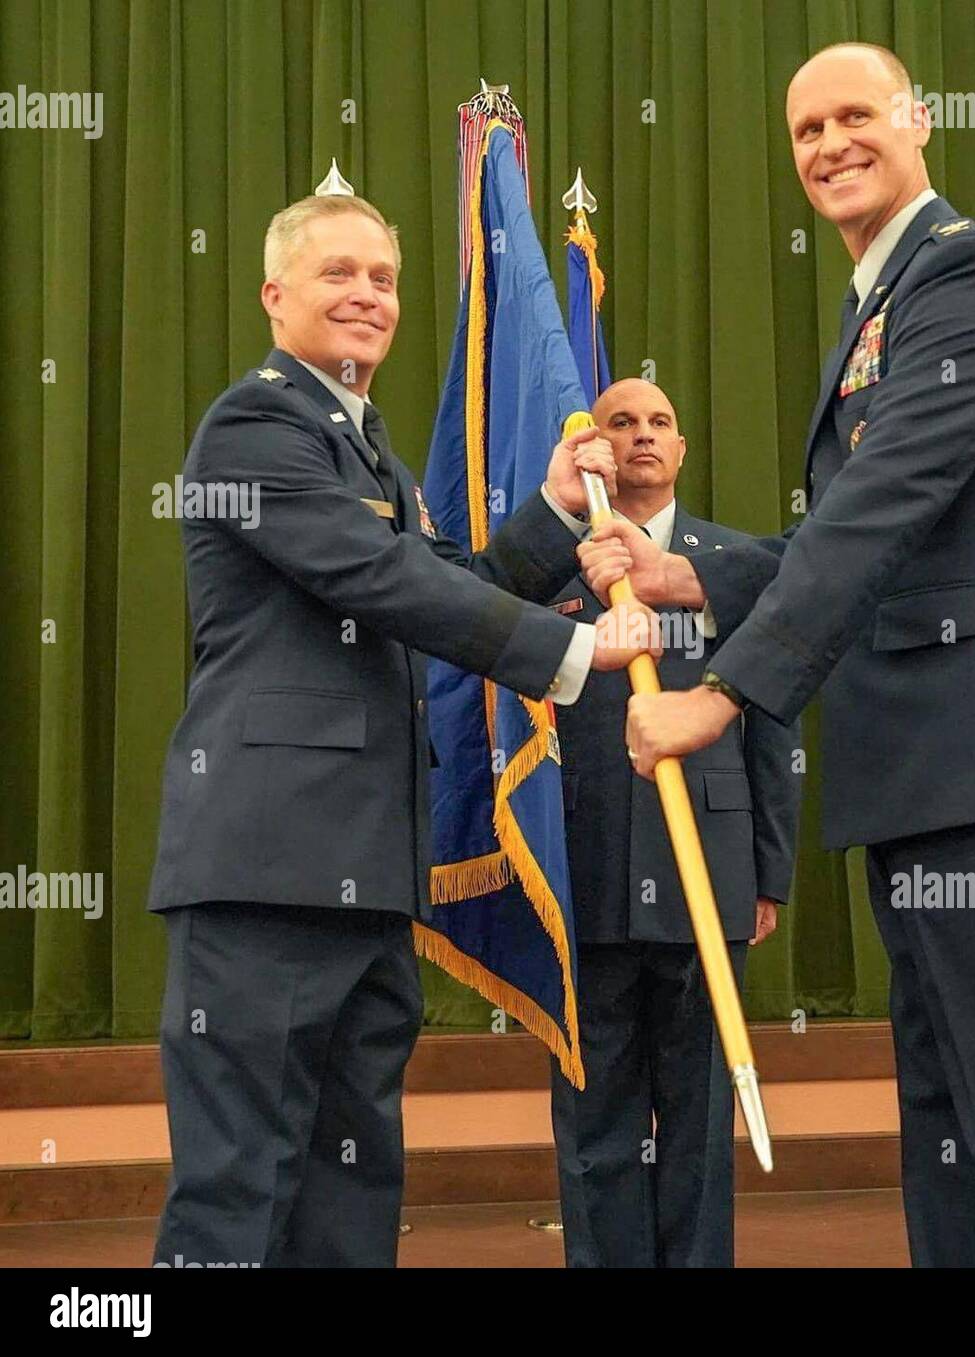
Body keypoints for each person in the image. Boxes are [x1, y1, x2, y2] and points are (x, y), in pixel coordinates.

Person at [589, 44, 975, 1268]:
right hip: (930, 778)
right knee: (951, 1115)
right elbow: (845, 531)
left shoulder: (969, 281)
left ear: (920, 121)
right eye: (805, 131)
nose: (830, 144)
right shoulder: (881, 303)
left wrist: (722, 691)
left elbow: (882, 504)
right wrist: (690, 574)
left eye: (855, 116)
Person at [148, 190, 654, 1268]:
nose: (367, 296)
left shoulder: (364, 445)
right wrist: (571, 654)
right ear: (273, 295)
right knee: (241, 1186)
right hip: (268, 871)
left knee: (349, 1188)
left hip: (367, 876)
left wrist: (559, 511)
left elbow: (438, 581)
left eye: (382, 278)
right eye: (339, 274)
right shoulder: (257, 424)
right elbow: (377, 578)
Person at [543, 379, 801, 1267]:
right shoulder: (552, 570)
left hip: (712, 871)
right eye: (622, 422)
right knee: (595, 1115)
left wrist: (769, 873)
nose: (642, 435)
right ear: (597, 450)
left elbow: (772, 720)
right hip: (587, 875)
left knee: (695, 1115)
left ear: (683, 449)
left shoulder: (734, 566)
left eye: (659, 422)